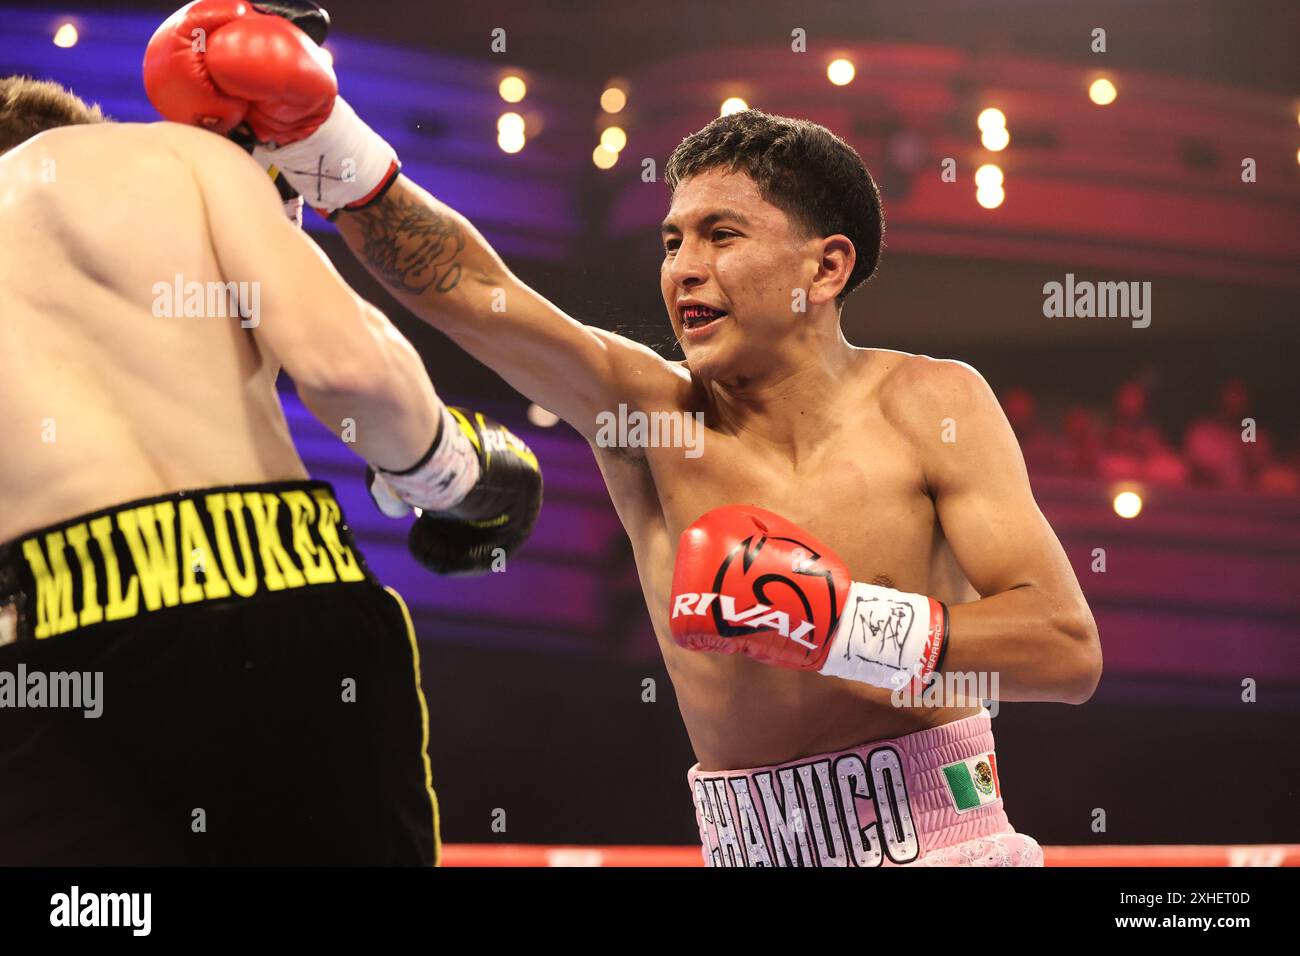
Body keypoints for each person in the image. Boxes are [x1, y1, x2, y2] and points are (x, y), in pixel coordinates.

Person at [145, 0, 1102, 866]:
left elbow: (1064, 652)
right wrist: (322, 137)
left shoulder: (931, 402)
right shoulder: (648, 413)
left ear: (826, 266)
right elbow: (472, 295)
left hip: (942, 846)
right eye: (672, 240)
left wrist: (840, 626)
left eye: (722, 235)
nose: (684, 266)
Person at [0, 72, 541, 864]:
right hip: (282, 592)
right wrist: (455, 477)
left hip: (48, 646)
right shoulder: (175, 158)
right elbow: (348, 370)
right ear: (84, 129)